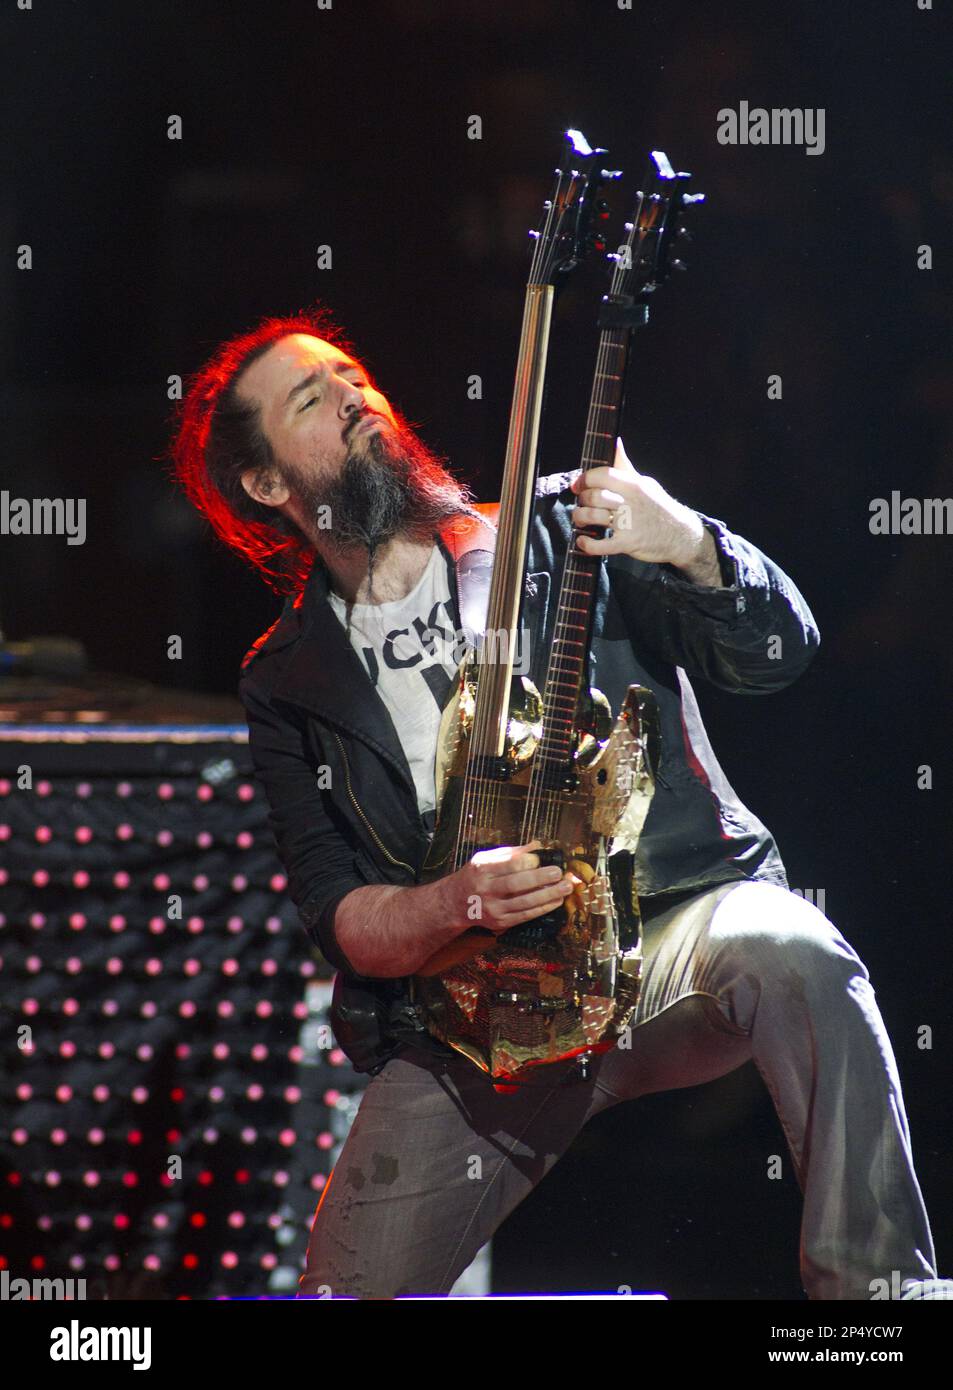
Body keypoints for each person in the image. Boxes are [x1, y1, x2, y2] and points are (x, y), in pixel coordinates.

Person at [171, 308, 949, 1301]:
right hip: (475, 1018)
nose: (351, 396)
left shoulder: (555, 529)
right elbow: (345, 919)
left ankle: (878, 1302)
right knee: (340, 1296)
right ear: (267, 482)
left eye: (351, 375)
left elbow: (777, 653)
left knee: (793, 945)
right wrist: (457, 902)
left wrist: (684, 542)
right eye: (310, 400)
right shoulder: (287, 682)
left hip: (665, 938)